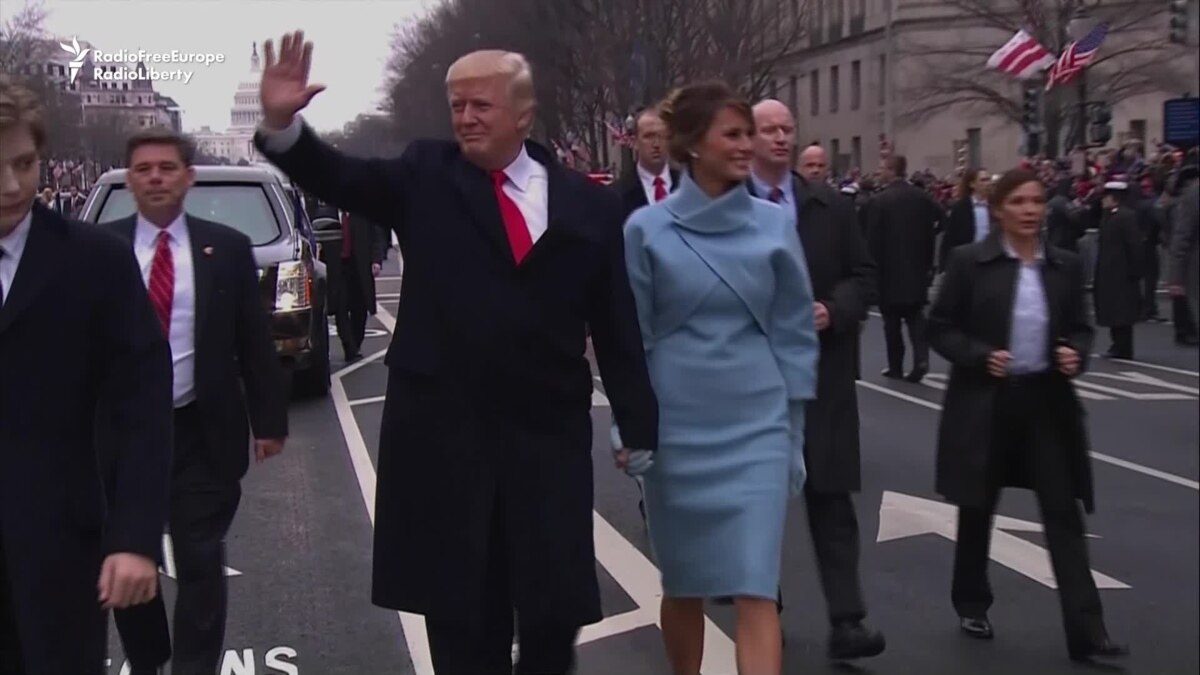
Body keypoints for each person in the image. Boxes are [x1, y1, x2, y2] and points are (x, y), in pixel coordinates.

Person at [254, 32, 658, 675]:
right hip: (444, 441)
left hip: (544, 443)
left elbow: (616, 324)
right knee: (462, 622)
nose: (464, 117)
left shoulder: (591, 206)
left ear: (523, 114)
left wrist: (639, 425)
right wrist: (283, 125)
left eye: (480, 105)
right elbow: (342, 175)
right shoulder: (425, 176)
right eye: (456, 105)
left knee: (554, 619)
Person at [622, 81, 816, 675]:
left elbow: (794, 335)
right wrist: (630, 429)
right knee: (684, 585)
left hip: (757, 425)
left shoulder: (775, 225)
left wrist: (793, 434)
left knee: (758, 584)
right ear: (692, 145)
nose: (748, 145)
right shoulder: (644, 231)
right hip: (676, 429)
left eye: (749, 133)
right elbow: (634, 342)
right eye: (733, 134)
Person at [0, 74, 173, 675]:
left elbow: (144, 406)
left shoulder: (92, 260)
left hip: (59, 550)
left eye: (25, 163)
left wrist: (135, 536)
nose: (12, 186)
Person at [105, 127, 290, 675]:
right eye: (144, 169)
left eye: (167, 167)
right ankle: (147, 658)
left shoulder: (227, 249)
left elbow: (252, 340)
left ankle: (193, 666)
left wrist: (269, 421)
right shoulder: (97, 251)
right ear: (130, 181)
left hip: (200, 430)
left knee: (201, 555)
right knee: (126, 552)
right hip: (120, 436)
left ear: (188, 177)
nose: (156, 177)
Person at [929, 168, 1128, 663]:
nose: (1030, 210)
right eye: (1018, 201)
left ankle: (1088, 632)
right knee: (977, 505)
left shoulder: (1062, 265)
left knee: (1063, 513)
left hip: (1046, 405)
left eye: (1037, 201)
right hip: (987, 403)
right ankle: (972, 600)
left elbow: (1081, 329)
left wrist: (1074, 354)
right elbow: (940, 327)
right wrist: (979, 355)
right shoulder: (970, 262)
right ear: (998, 209)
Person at [744, 99, 884, 660]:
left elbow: (864, 275)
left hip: (821, 374)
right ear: (747, 138)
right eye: (768, 130)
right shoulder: (725, 205)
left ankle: (846, 620)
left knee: (831, 496)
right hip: (750, 376)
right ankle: (762, 607)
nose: (779, 138)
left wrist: (833, 309)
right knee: (757, 499)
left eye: (786, 129)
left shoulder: (828, 206)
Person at [865, 154, 943, 382]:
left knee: (891, 323)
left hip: (888, 270)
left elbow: (872, 239)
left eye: (882, 168)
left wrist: (871, 270)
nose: (879, 172)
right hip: (918, 267)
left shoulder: (879, 201)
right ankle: (921, 358)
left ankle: (895, 365)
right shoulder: (922, 197)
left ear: (891, 170)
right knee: (915, 318)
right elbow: (940, 219)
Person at [1092, 181, 1143, 359]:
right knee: (1113, 311)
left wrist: (1135, 271)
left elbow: (1134, 245)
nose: (1102, 201)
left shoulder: (1126, 216)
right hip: (1110, 272)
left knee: (1121, 313)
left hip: (1122, 273)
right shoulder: (1109, 216)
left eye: (1105, 197)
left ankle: (1123, 347)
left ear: (1114, 198)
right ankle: (1117, 345)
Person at [331, 209, 388, 361]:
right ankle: (348, 345)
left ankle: (356, 342)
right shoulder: (329, 213)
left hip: (359, 265)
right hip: (338, 267)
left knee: (360, 307)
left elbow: (377, 236)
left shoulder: (364, 212)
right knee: (340, 306)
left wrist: (376, 260)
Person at [614, 106, 679, 222]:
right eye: (649, 136)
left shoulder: (689, 188)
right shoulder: (616, 196)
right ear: (634, 142)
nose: (656, 144)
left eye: (662, 136)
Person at [939, 168, 990, 271]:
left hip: (990, 259)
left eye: (988, 179)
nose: (988, 183)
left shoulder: (995, 206)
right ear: (972, 184)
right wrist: (945, 266)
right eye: (983, 180)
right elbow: (950, 238)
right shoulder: (961, 208)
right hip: (969, 260)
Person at [1168, 168, 1199, 324]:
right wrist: (1177, 277)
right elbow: (1182, 237)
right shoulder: (1194, 194)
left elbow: (1182, 237)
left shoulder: (1193, 194)